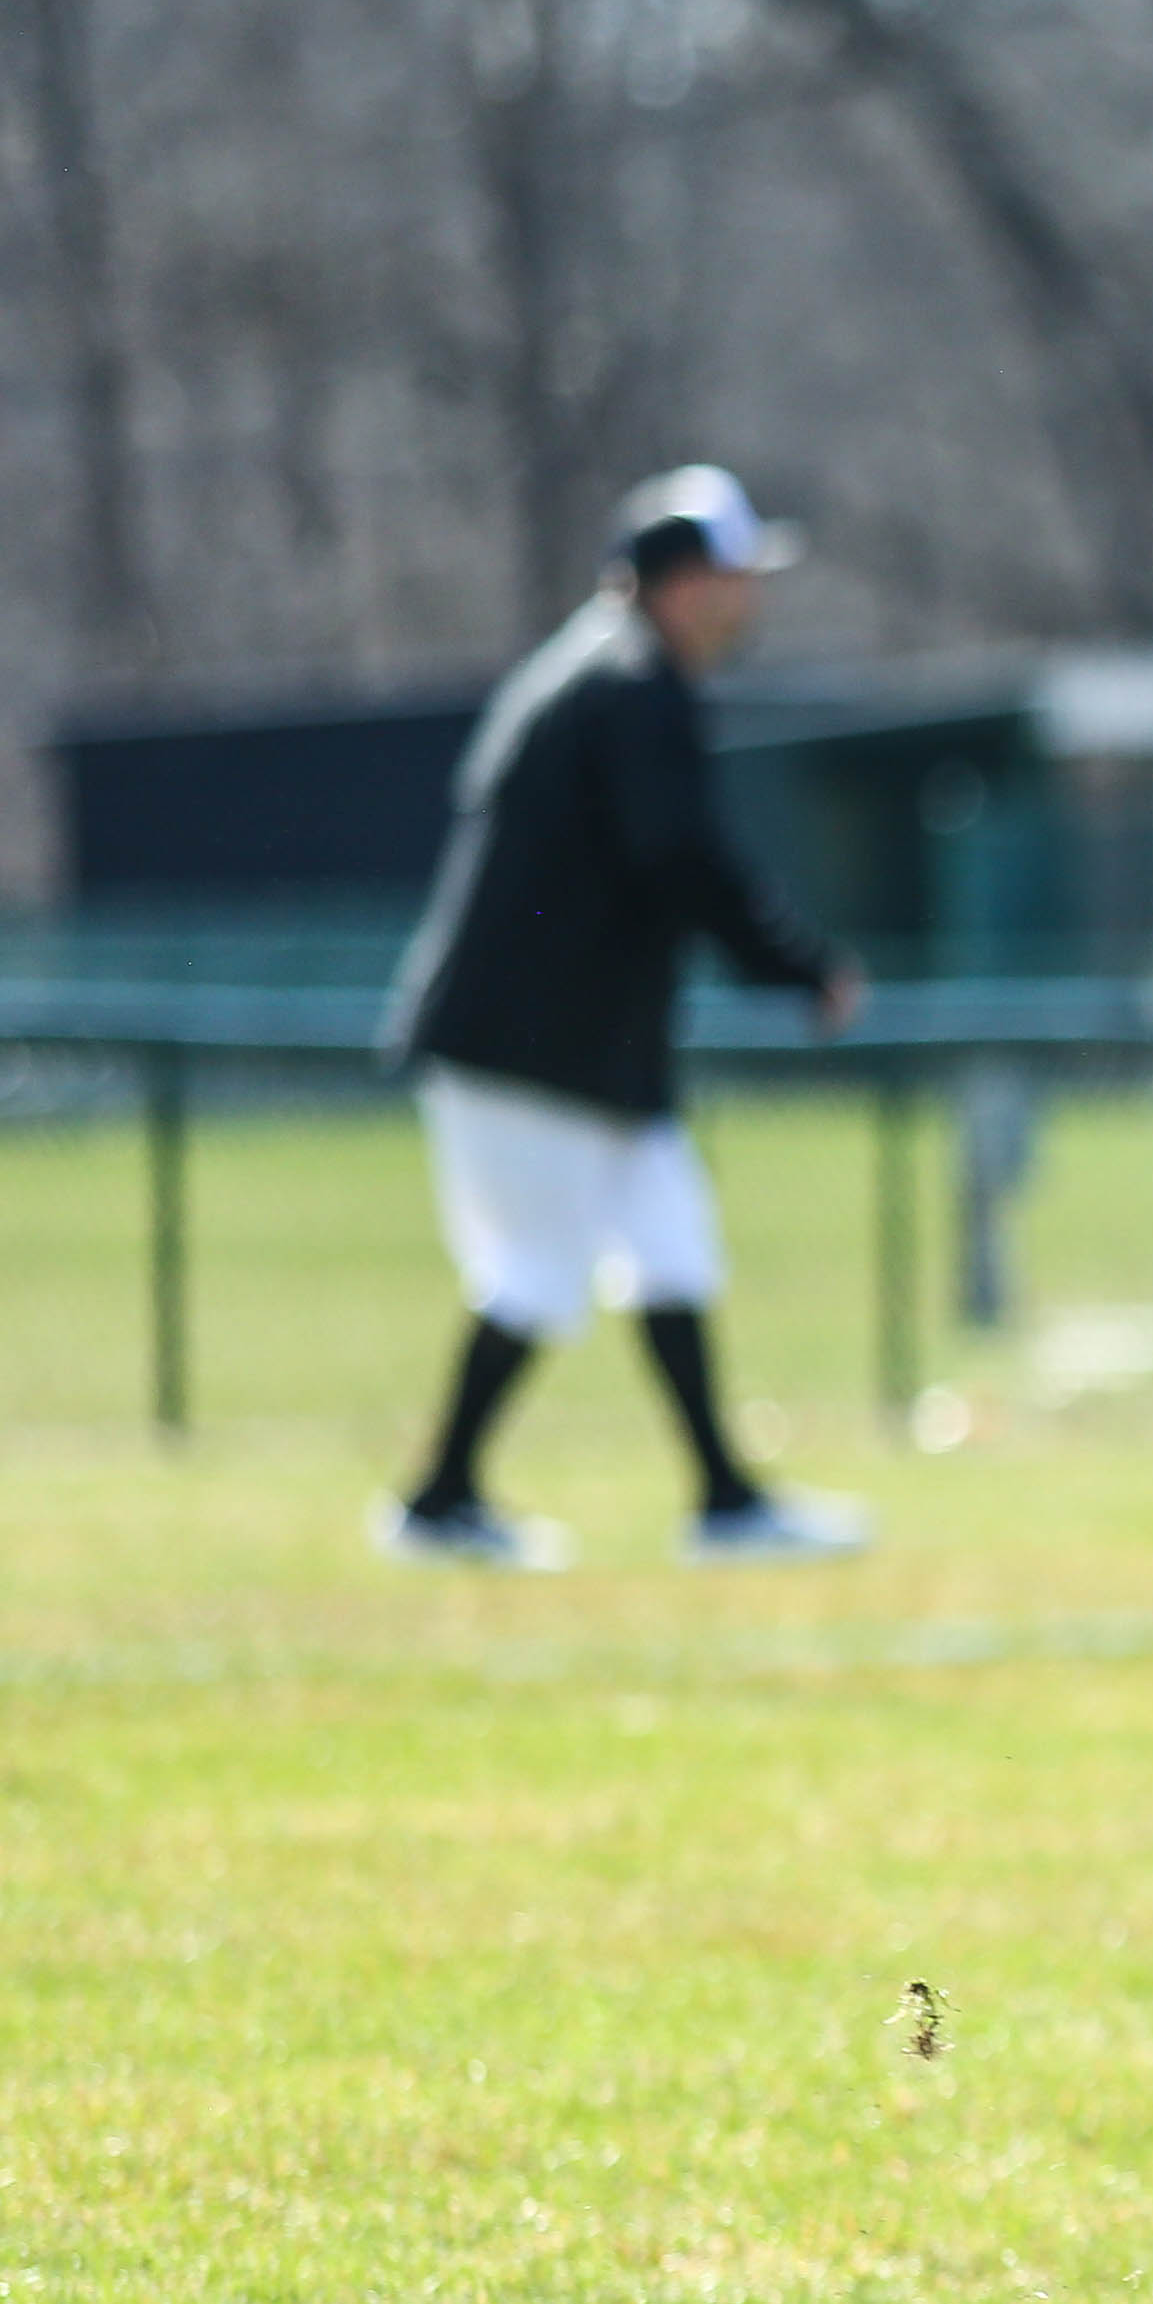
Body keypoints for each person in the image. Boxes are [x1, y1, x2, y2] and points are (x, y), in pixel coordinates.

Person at [372, 466, 874, 1568]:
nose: (749, 600)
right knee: (537, 1278)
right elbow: (679, 859)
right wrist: (798, 970)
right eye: (737, 576)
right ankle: (440, 1500)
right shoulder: (631, 683)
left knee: (670, 1247)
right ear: (685, 583)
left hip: (574, 1044)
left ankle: (726, 1500)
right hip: (532, 1046)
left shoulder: (607, 671)